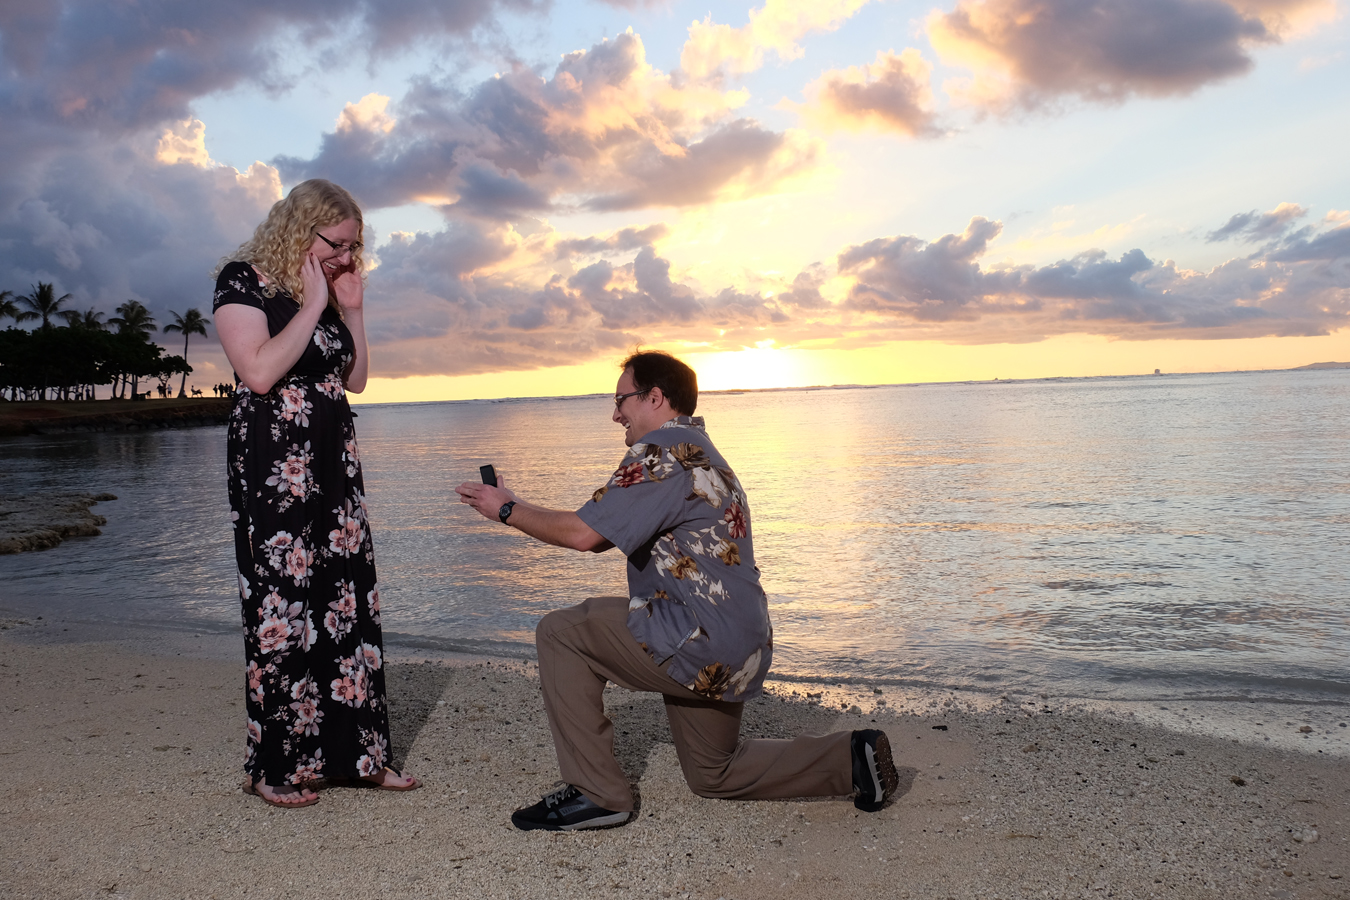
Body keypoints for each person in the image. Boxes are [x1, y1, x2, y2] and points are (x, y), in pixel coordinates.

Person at [456, 350, 897, 831]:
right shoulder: (700, 450)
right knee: (714, 773)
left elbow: (586, 535)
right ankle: (851, 757)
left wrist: (505, 511)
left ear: (655, 397)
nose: (615, 413)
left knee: (562, 632)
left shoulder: (662, 452)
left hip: (697, 635)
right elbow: (600, 527)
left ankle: (598, 794)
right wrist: (516, 501)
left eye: (621, 399)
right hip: (737, 642)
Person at [213, 179, 418, 808]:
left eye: (356, 249)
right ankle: (273, 767)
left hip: (333, 465)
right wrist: (311, 302)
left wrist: (350, 308)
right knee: (282, 611)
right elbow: (259, 370)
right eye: (339, 245)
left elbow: (353, 379)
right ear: (303, 230)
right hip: (277, 468)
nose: (348, 258)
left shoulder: (331, 291)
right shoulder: (242, 281)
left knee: (345, 601)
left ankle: (358, 756)